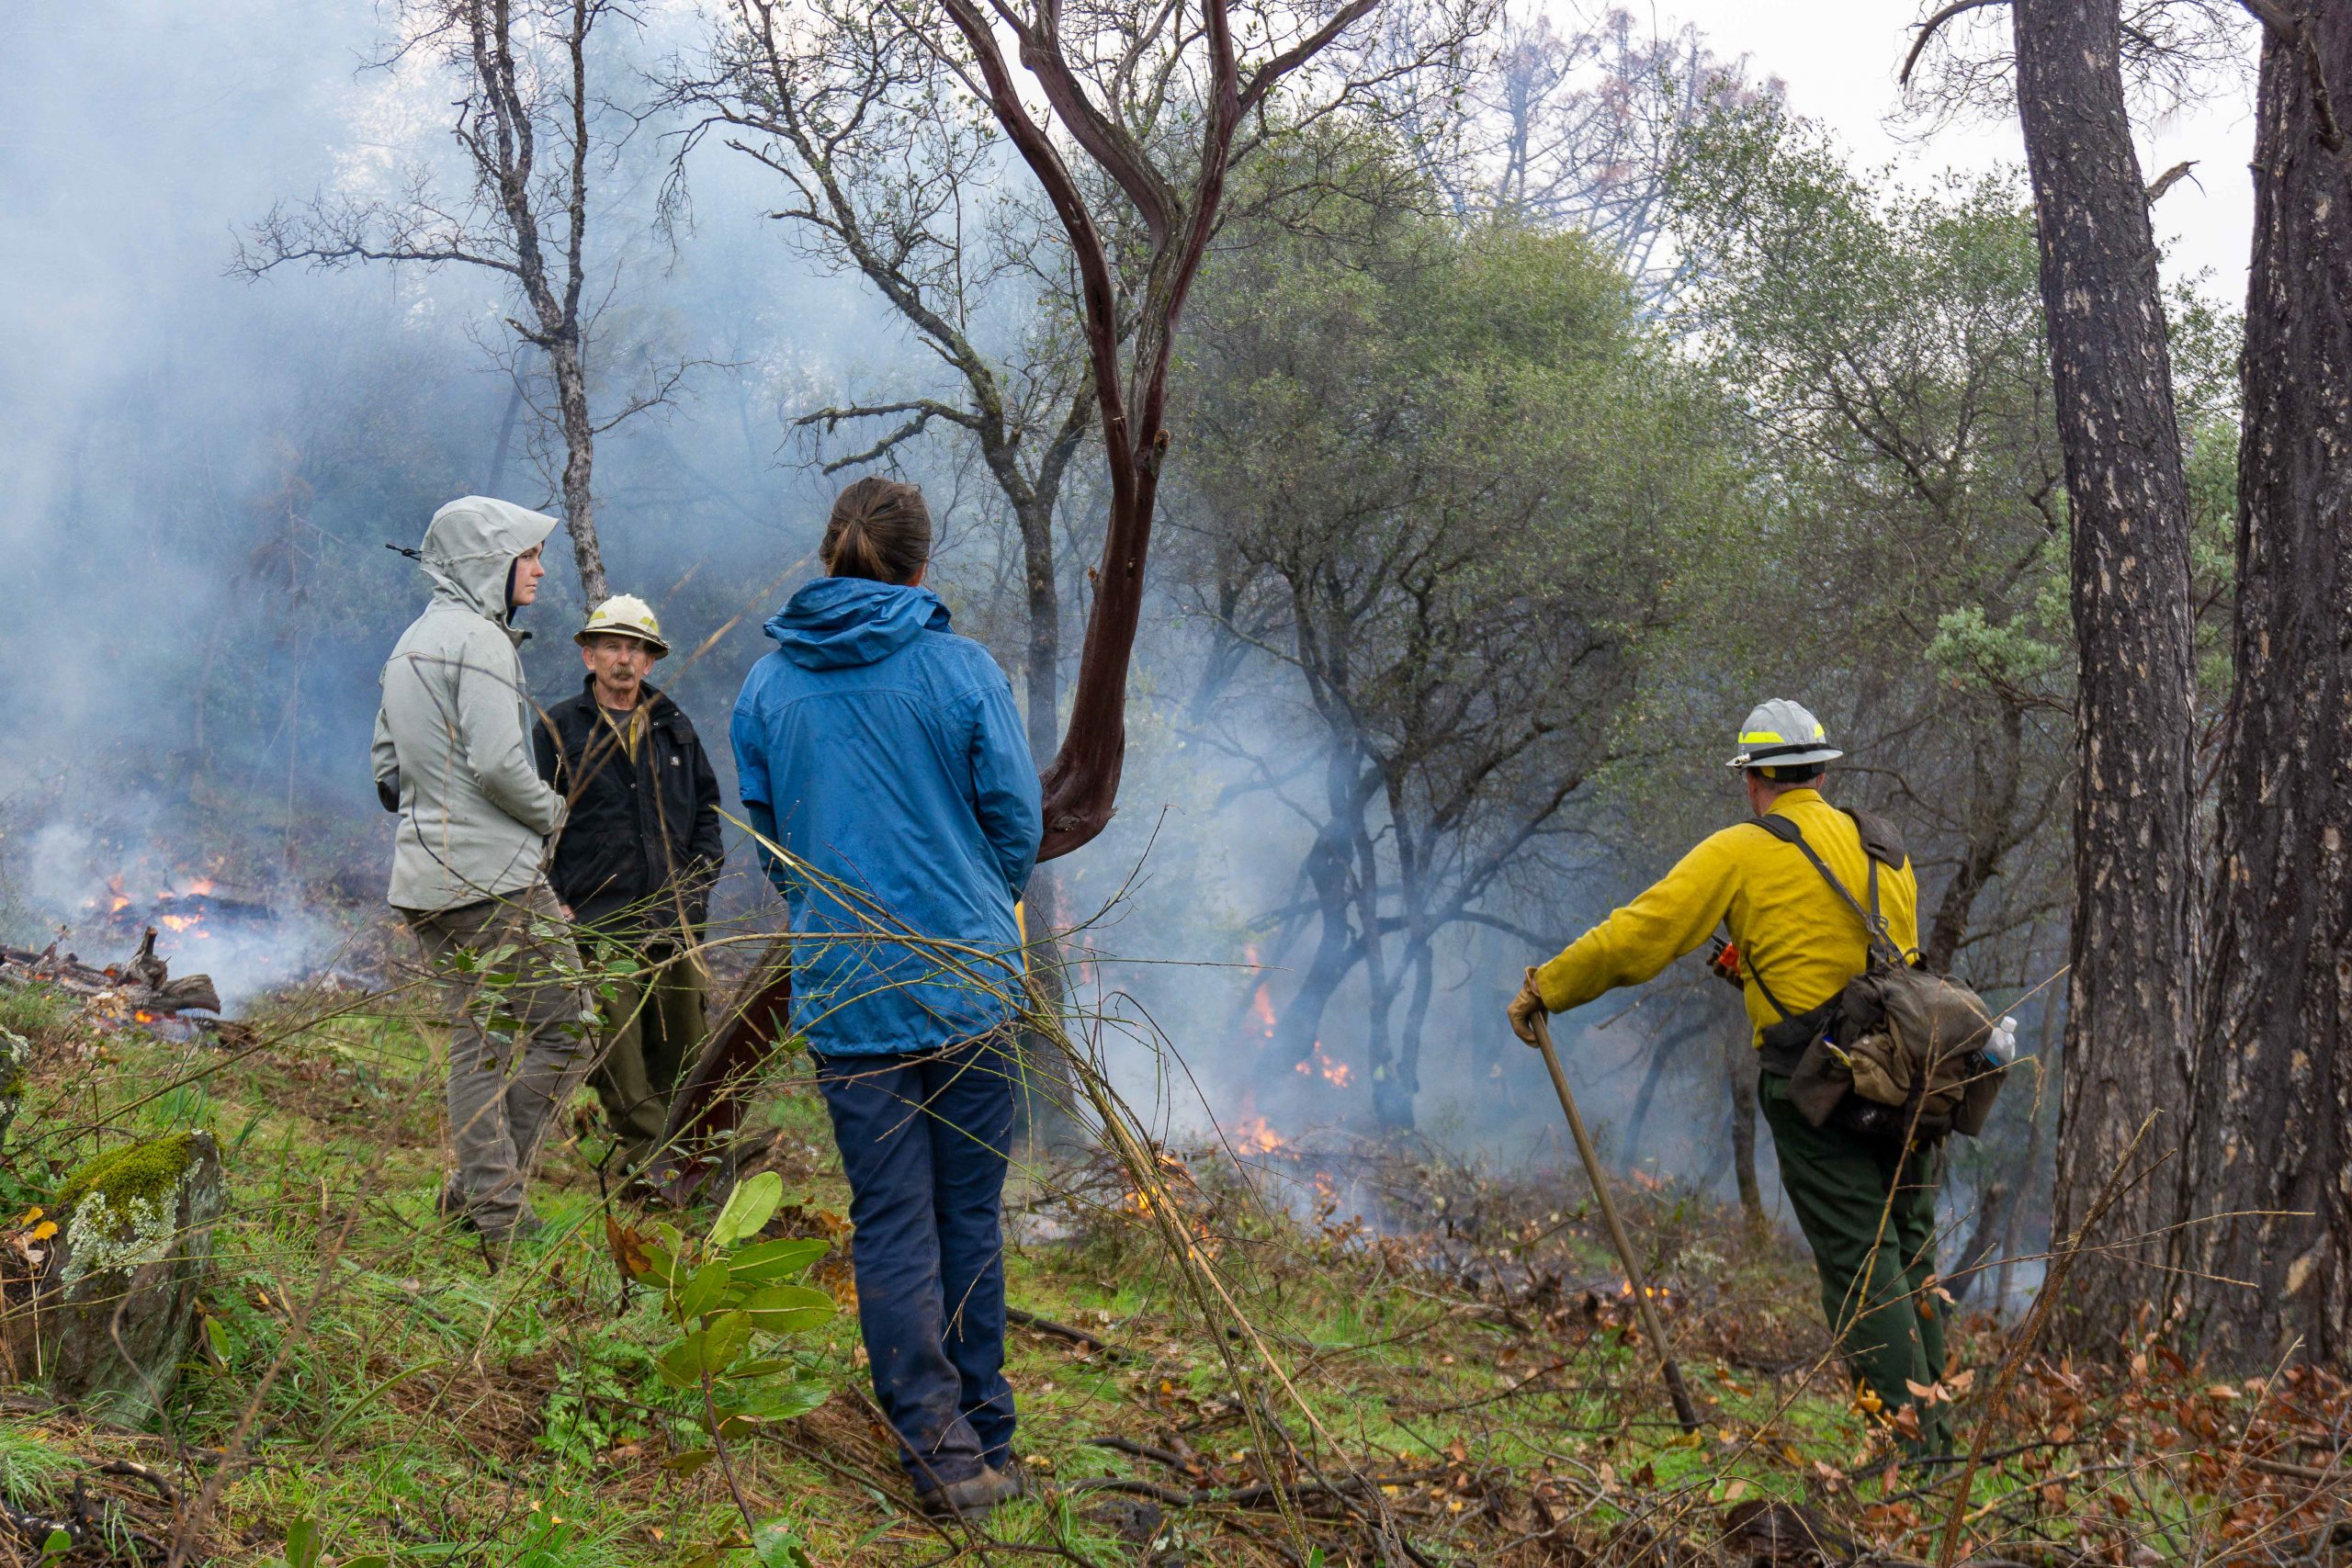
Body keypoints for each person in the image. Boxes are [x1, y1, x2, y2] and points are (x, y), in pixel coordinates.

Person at [1506, 699, 1951, 1454]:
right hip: (1913, 1081)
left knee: (1860, 1268)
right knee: (1911, 1253)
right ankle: (1937, 1434)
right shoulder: (1885, 847)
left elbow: (1640, 935)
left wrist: (1549, 984)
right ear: (1818, 769)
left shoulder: (1741, 850)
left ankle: (1913, 1459)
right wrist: (1757, 966)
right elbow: (1871, 969)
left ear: (1754, 781)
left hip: (1823, 1093)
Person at [729, 476, 1042, 1518]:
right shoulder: (962, 671)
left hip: (849, 993)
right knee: (967, 1214)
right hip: (967, 987)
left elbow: (773, 843)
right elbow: (1015, 825)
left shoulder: (768, 688)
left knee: (894, 1218)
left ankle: (945, 1452)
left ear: (829, 558)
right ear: (920, 566)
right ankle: (986, 1432)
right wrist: (971, 902)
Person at [372, 496, 588, 1252]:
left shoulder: (407, 646)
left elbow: (386, 772)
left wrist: (435, 800)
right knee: (568, 1028)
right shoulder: (485, 642)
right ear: (485, 561)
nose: (538, 567)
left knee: (484, 1033)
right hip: (491, 879)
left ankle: (480, 1198)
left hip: (425, 881)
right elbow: (500, 765)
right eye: (527, 554)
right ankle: (493, 1203)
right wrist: (553, 811)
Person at [533, 594, 724, 1180]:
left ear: (650, 660)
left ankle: (694, 1162)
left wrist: (695, 888)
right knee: (618, 1052)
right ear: (589, 656)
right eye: (612, 646)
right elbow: (537, 818)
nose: (624, 659)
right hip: (597, 920)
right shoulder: (559, 728)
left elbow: (707, 814)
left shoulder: (675, 726)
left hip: (674, 921)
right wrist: (555, 897)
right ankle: (650, 1165)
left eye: (635, 649)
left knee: (686, 1044)